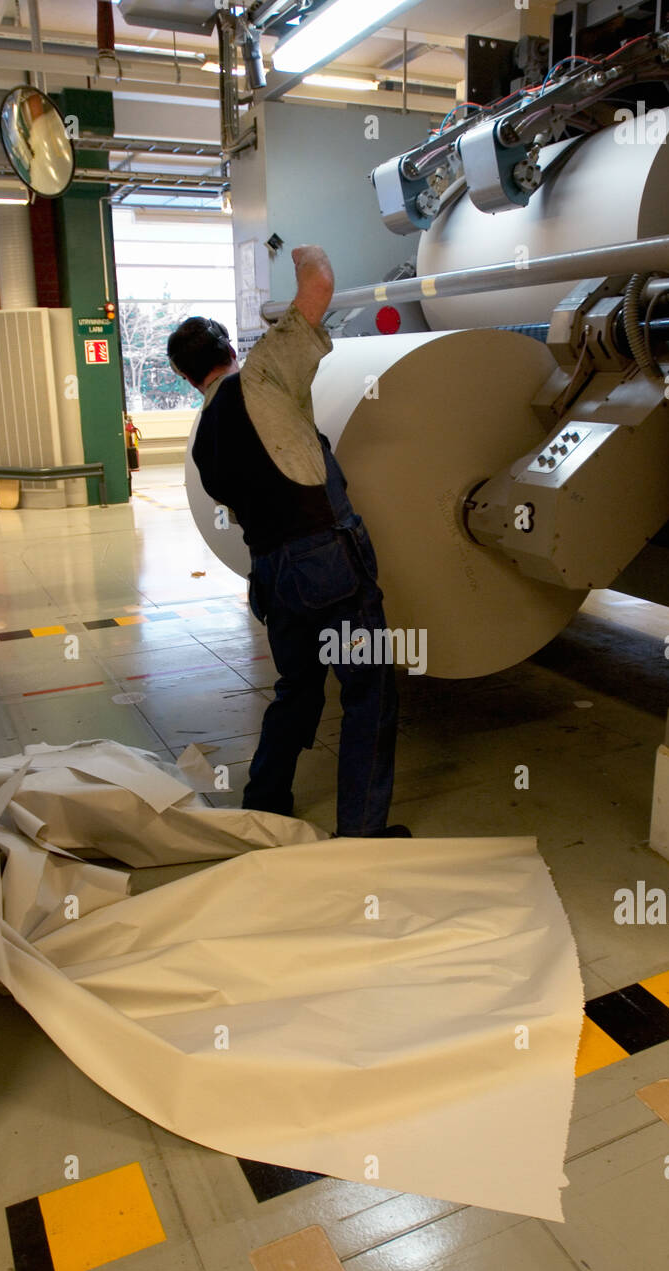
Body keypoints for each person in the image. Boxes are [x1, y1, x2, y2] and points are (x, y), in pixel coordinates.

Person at [167, 244, 409, 838]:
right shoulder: (266, 373)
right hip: (328, 565)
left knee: (297, 690)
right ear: (231, 349)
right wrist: (302, 250)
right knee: (368, 692)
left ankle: (266, 800)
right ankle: (363, 832)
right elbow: (320, 282)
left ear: (185, 375)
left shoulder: (204, 439)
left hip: (274, 579)